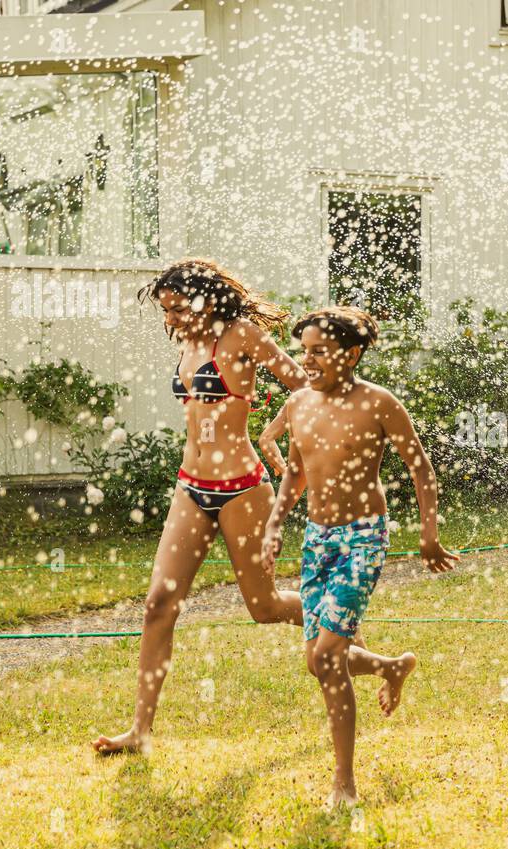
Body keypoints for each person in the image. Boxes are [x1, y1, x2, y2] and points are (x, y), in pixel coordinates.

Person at [93, 259, 308, 755]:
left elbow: (305, 387)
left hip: (243, 488)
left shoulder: (243, 336)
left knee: (264, 606)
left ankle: (331, 614)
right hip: (191, 487)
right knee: (159, 604)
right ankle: (139, 732)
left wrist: (279, 435)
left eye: (176, 308)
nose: (170, 319)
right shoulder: (191, 341)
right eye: (164, 311)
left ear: (205, 299)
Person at [261, 305, 458, 807]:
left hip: (363, 538)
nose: (307, 360)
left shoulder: (378, 403)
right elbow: (297, 472)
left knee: (326, 657)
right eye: (303, 350)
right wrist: (275, 524)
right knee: (318, 661)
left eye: (319, 352)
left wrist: (428, 535)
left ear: (350, 354)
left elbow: (421, 469)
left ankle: (343, 784)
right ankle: (391, 666)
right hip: (317, 540)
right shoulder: (301, 404)